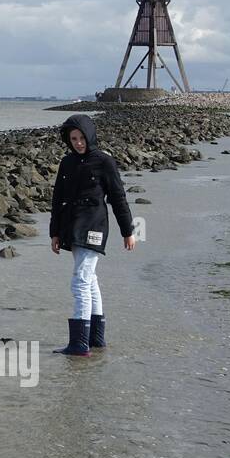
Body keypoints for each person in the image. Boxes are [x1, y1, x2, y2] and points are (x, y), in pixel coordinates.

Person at [49, 114, 136, 356]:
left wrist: (128, 231)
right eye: (73, 138)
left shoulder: (104, 161)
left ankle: (79, 344)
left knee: (80, 281)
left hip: (95, 226)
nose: (78, 143)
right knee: (91, 279)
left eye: (81, 138)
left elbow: (118, 198)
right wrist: (54, 233)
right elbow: (58, 200)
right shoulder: (66, 163)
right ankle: (96, 338)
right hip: (72, 228)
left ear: (90, 135)